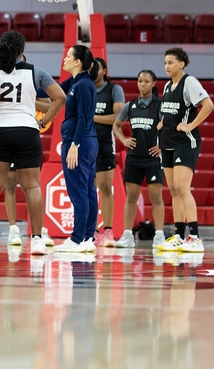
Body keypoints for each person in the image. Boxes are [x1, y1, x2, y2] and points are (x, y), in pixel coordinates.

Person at [0, 30, 66, 256]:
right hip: (27, 131)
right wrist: (45, 121)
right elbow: (61, 97)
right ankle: (37, 241)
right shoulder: (36, 71)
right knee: (32, 187)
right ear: (22, 50)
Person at [0, 53, 56, 248]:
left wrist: (26, 101)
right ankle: (14, 229)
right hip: (24, 133)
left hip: (4, 132)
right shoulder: (6, 79)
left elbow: (48, 104)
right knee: (11, 184)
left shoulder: (30, 82)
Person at [156, 47, 214, 253]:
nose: (166, 66)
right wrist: (162, 122)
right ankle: (179, 236)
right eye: (165, 63)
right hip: (168, 142)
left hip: (185, 142)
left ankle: (195, 237)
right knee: (173, 190)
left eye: (170, 62)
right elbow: (170, 110)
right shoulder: (167, 87)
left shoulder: (189, 82)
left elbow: (208, 105)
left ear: (182, 64)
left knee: (182, 188)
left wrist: (190, 125)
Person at [112, 69, 165, 248]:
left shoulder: (160, 105)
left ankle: (159, 235)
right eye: (140, 81)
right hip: (134, 158)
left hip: (153, 158)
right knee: (131, 197)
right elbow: (116, 125)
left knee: (156, 197)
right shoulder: (130, 106)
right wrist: (123, 140)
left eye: (146, 81)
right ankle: (127, 235)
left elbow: (170, 127)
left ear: (153, 84)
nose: (142, 84)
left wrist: (162, 146)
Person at [54, 45, 99, 253]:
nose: (65, 58)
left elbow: (84, 119)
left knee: (78, 192)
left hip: (79, 143)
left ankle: (77, 238)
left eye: (69, 56)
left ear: (77, 62)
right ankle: (88, 238)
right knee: (88, 190)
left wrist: (74, 145)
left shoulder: (83, 85)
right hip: (85, 142)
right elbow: (52, 90)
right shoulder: (73, 82)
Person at [92, 57, 125, 246]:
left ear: (104, 70)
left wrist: (91, 117)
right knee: (88, 189)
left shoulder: (114, 90)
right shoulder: (84, 88)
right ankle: (92, 230)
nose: (92, 71)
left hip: (105, 143)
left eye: (96, 68)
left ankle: (108, 231)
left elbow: (117, 117)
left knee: (105, 187)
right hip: (85, 145)